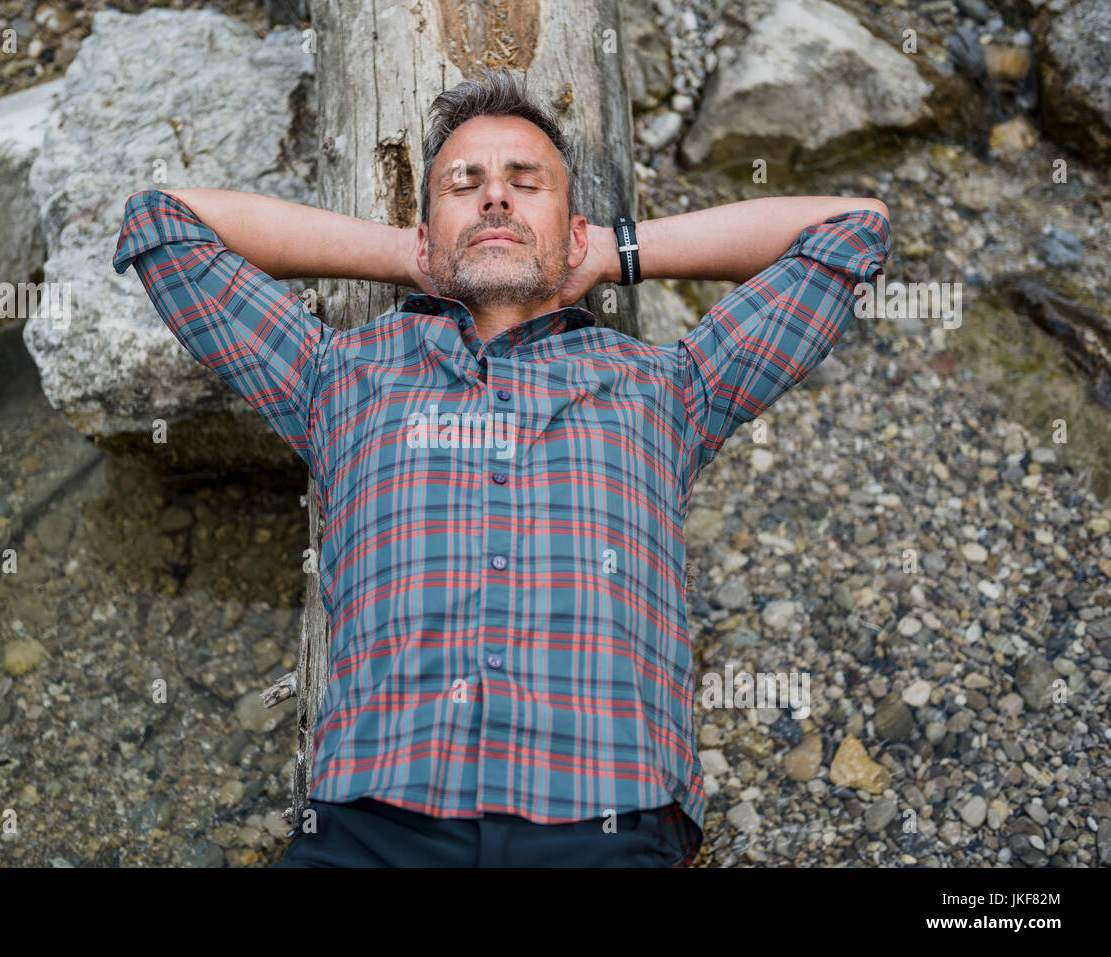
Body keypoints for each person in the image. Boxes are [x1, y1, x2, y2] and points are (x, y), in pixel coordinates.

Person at [112, 67, 891, 867]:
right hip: (373, 824)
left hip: (604, 818)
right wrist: (411, 256)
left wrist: (615, 252)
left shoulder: (672, 387)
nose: (495, 198)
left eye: (526, 183)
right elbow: (163, 221)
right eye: (464, 185)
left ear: (574, 229)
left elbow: (853, 227)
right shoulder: (334, 378)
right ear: (426, 231)